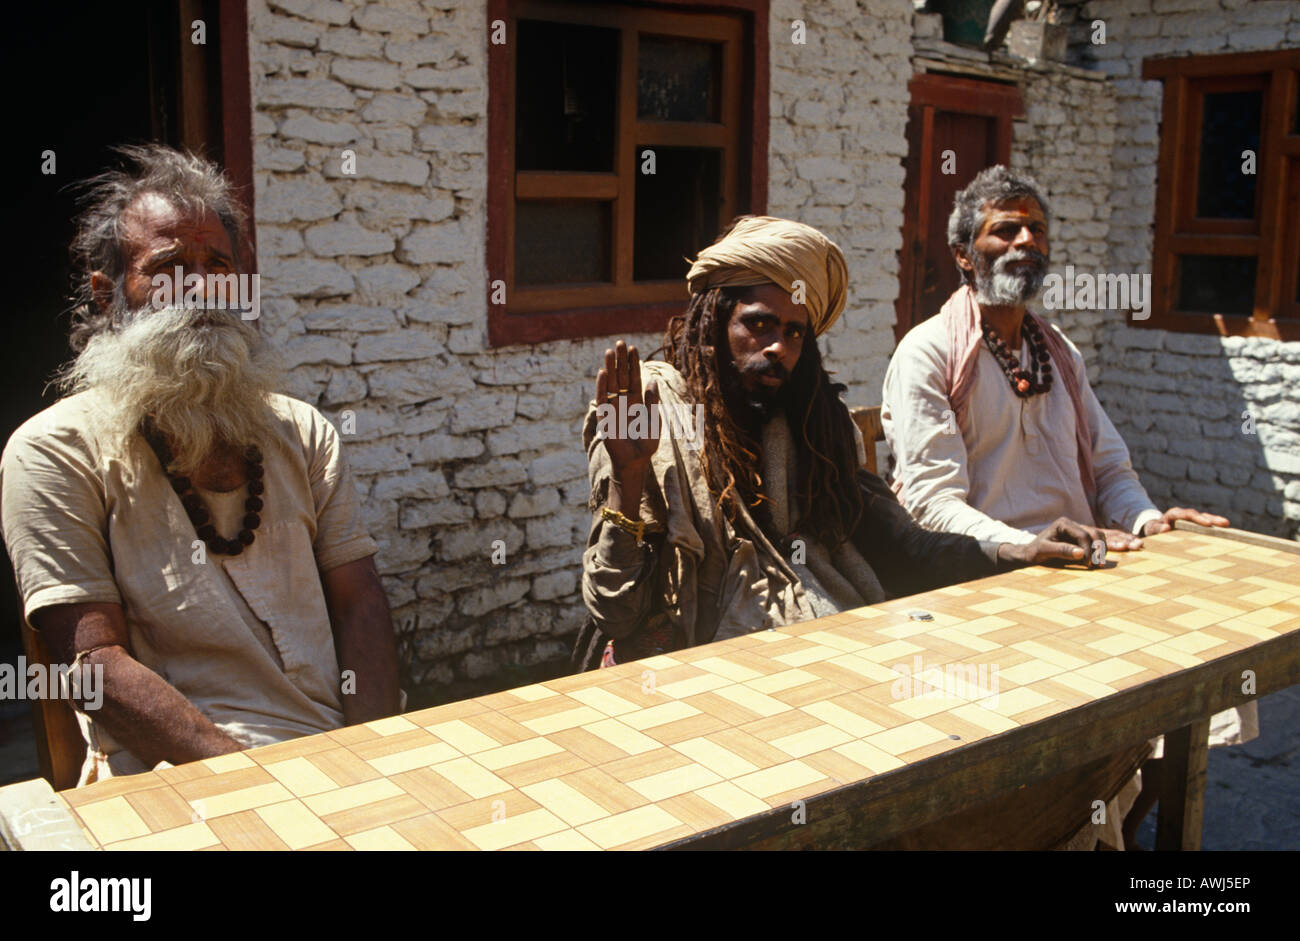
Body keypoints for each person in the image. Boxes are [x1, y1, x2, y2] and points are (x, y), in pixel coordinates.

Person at [0, 144, 401, 785]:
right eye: (169, 267)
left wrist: (375, 753)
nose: (200, 287)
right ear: (108, 297)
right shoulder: (53, 450)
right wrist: (261, 787)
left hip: (335, 758)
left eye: (217, 264)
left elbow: (361, 604)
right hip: (170, 777)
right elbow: (92, 662)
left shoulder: (302, 432)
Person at [881, 165, 1252, 846]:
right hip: (979, 589)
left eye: (1037, 229)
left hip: (1078, 577)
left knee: (1206, 663)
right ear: (964, 254)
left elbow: (1111, 467)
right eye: (1005, 229)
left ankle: (1115, 821)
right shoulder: (929, 354)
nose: (1026, 241)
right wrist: (1019, 545)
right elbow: (931, 505)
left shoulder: (1058, 351)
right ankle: (1076, 821)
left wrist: (1146, 519)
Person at [573, 214, 1108, 672]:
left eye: (795, 332)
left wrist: (1019, 547)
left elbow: (904, 545)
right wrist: (628, 478)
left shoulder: (814, 425)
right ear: (715, 320)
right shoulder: (650, 415)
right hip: (693, 665)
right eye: (758, 325)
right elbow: (616, 612)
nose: (779, 346)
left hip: (821, 645)